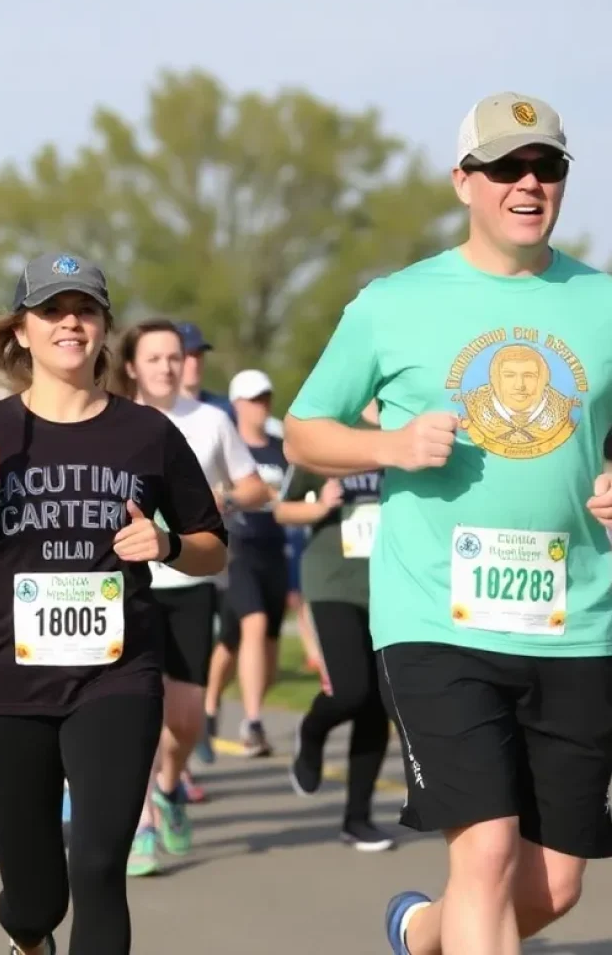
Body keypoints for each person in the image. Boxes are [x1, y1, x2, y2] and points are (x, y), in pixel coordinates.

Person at [283, 92, 612, 955]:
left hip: (576, 620)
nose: (528, 183)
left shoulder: (601, 300)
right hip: (438, 617)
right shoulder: (394, 303)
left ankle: (421, 933)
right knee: (488, 852)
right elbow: (305, 430)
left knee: (558, 882)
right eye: (507, 167)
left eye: (546, 167)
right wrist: (389, 442)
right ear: (466, 181)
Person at [0, 253, 227, 955]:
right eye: (52, 309)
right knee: (36, 897)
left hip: (114, 677)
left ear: (104, 327)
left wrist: (166, 545)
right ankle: (27, 933)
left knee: (101, 866)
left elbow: (213, 547)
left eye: (84, 309)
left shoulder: (147, 435)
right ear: (21, 331)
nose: (69, 322)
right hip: (3, 684)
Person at [111, 319, 266, 875]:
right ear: (132, 365)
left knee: (185, 720)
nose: (166, 367)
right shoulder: (114, 421)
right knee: (140, 709)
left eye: (174, 357)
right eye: (153, 358)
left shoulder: (211, 421)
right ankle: (143, 820)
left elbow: (255, 485)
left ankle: (171, 785)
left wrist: (224, 496)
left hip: (192, 581)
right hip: (130, 586)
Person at [276, 400, 394, 852]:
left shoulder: (413, 429)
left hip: (391, 586)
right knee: (350, 690)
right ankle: (312, 732)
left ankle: (358, 818)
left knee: (378, 702)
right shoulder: (329, 433)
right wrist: (320, 505)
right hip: (333, 582)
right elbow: (283, 509)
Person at [203, 369, 290, 759]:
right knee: (252, 625)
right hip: (238, 550)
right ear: (237, 403)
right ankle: (252, 722)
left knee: (248, 642)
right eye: (253, 399)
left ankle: (208, 702)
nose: (261, 406)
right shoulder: (230, 445)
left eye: (265, 399)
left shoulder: (279, 448)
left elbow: (293, 495)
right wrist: (234, 497)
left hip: (275, 550)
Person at [175, 322, 234, 422]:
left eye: (198, 354)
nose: (194, 363)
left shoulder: (224, 409)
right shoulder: (156, 411)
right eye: (185, 355)